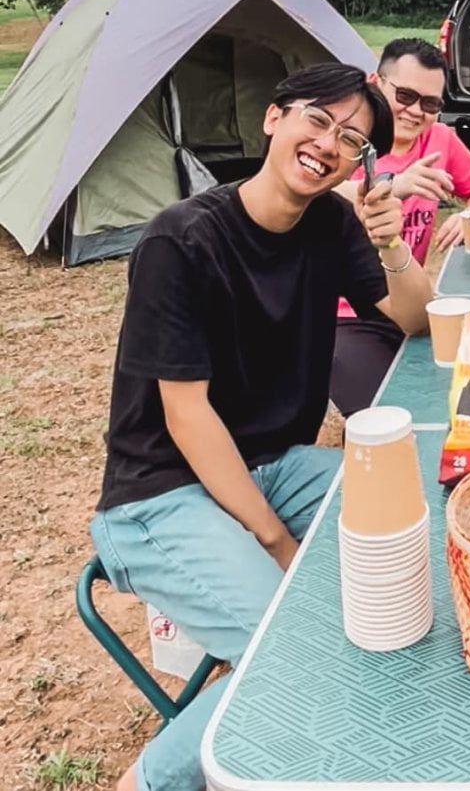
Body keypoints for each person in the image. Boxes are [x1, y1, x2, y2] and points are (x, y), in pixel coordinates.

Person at [90, 63, 432, 791]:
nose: (328, 145)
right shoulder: (179, 240)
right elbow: (186, 416)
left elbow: (415, 317)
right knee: (288, 653)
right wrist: (275, 540)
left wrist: (391, 241)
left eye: (350, 139)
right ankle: (149, 781)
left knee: (411, 514)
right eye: (317, 119)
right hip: (160, 492)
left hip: (274, 465)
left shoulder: (333, 222)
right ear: (275, 117)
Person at [329, 38, 470, 417]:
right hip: (343, 317)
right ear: (375, 84)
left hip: (410, 303)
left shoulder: (440, 141)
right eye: (404, 94)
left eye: (430, 103)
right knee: (397, 413)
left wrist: (469, 214)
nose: (415, 111)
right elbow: (317, 190)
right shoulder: (347, 139)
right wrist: (387, 188)